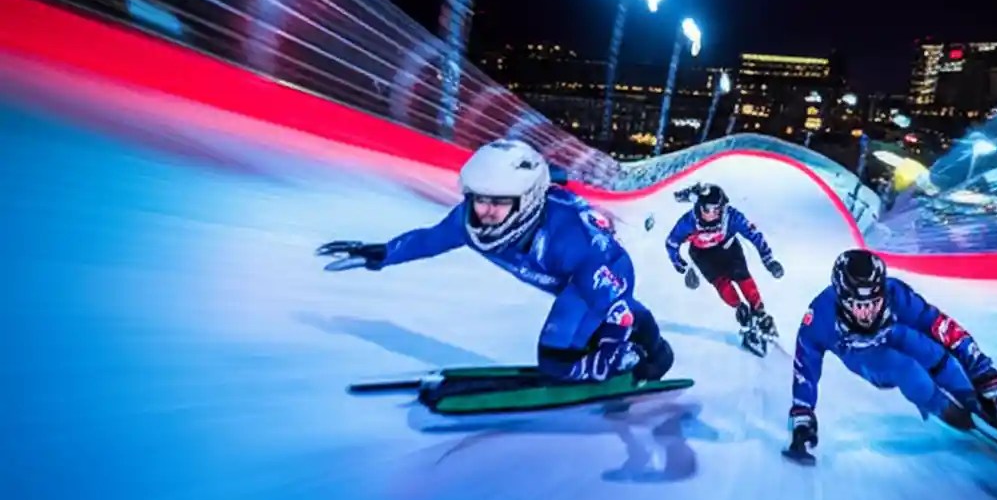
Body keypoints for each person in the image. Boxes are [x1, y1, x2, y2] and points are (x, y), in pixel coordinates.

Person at [317, 139, 674, 384]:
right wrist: (381, 253)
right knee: (574, 341)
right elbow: (430, 240)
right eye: (479, 199)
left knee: (556, 362)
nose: (485, 212)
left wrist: (614, 343)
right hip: (579, 282)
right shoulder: (469, 220)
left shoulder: (573, 235)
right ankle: (643, 350)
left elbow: (616, 290)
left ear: (529, 199)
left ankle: (640, 356)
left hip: (596, 279)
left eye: (499, 202)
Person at [787, 249, 997, 452]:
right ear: (842, 300)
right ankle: (946, 409)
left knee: (931, 351)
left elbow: (941, 327)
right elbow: (806, 363)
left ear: (883, 293)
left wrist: (984, 374)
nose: (868, 313)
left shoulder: (896, 293)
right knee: (906, 368)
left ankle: (973, 401)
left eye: (874, 303)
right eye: (859, 306)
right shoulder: (820, 315)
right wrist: (802, 413)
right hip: (860, 352)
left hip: (890, 332)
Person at [665, 183, 785, 337]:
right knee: (721, 283)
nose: (711, 213)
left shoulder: (732, 217)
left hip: (727, 247)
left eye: (716, 209)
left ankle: (758, 309)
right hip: (702, 254)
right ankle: (740, 309)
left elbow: (754, 235)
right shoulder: (689, 222)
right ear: (700, 206)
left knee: (742, 275)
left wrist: (769, 260)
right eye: (707, 208)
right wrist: (683, 267)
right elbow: (671, 243)